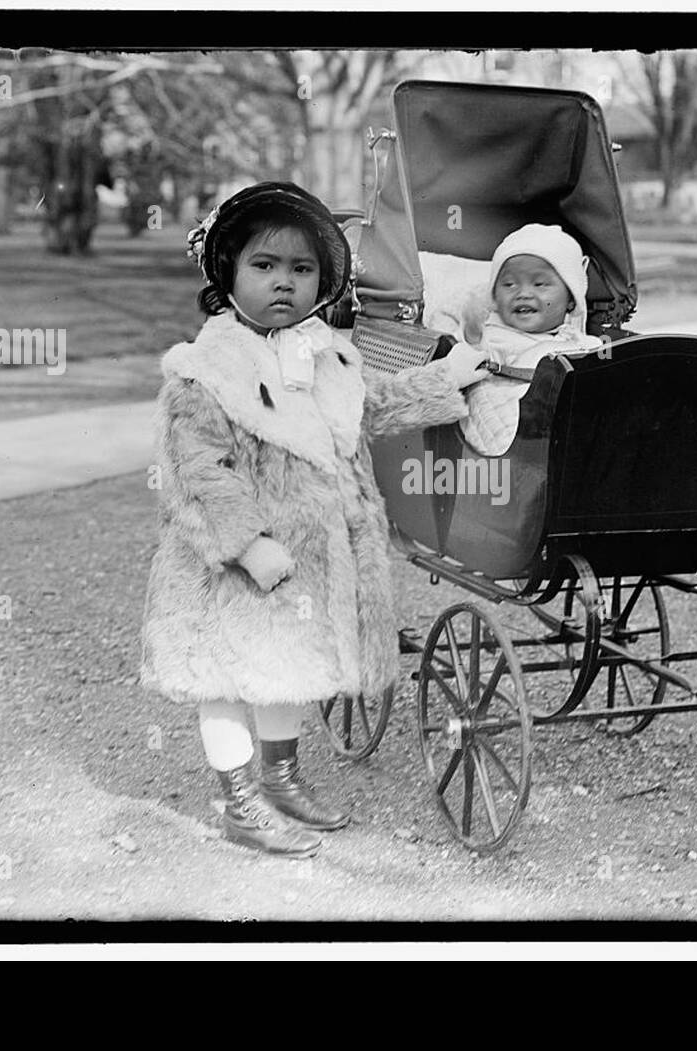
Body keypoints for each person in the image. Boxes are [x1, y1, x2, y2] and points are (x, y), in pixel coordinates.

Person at [140, 182, 487, 858]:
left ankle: (282, 775)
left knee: (287, 671)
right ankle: (240, 797)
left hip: (307, 561)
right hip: (235, 566)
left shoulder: (322, 355)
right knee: (225, 679)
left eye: (301, 270)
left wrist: (449, 382)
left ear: (321, 283)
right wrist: (249, 544)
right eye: (264, 266)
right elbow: (203, 473)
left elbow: (371, 405)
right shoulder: (204, 372)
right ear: (227, 275)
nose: (283, 283)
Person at [457, 224, 606, 457]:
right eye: (509, 284)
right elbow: (468, 358)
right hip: (507, 442)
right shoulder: (494, 333)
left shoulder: (575, 340)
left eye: (540, 284)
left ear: (570, 299)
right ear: (494, 296)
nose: (523, 293)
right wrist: (473, 332)